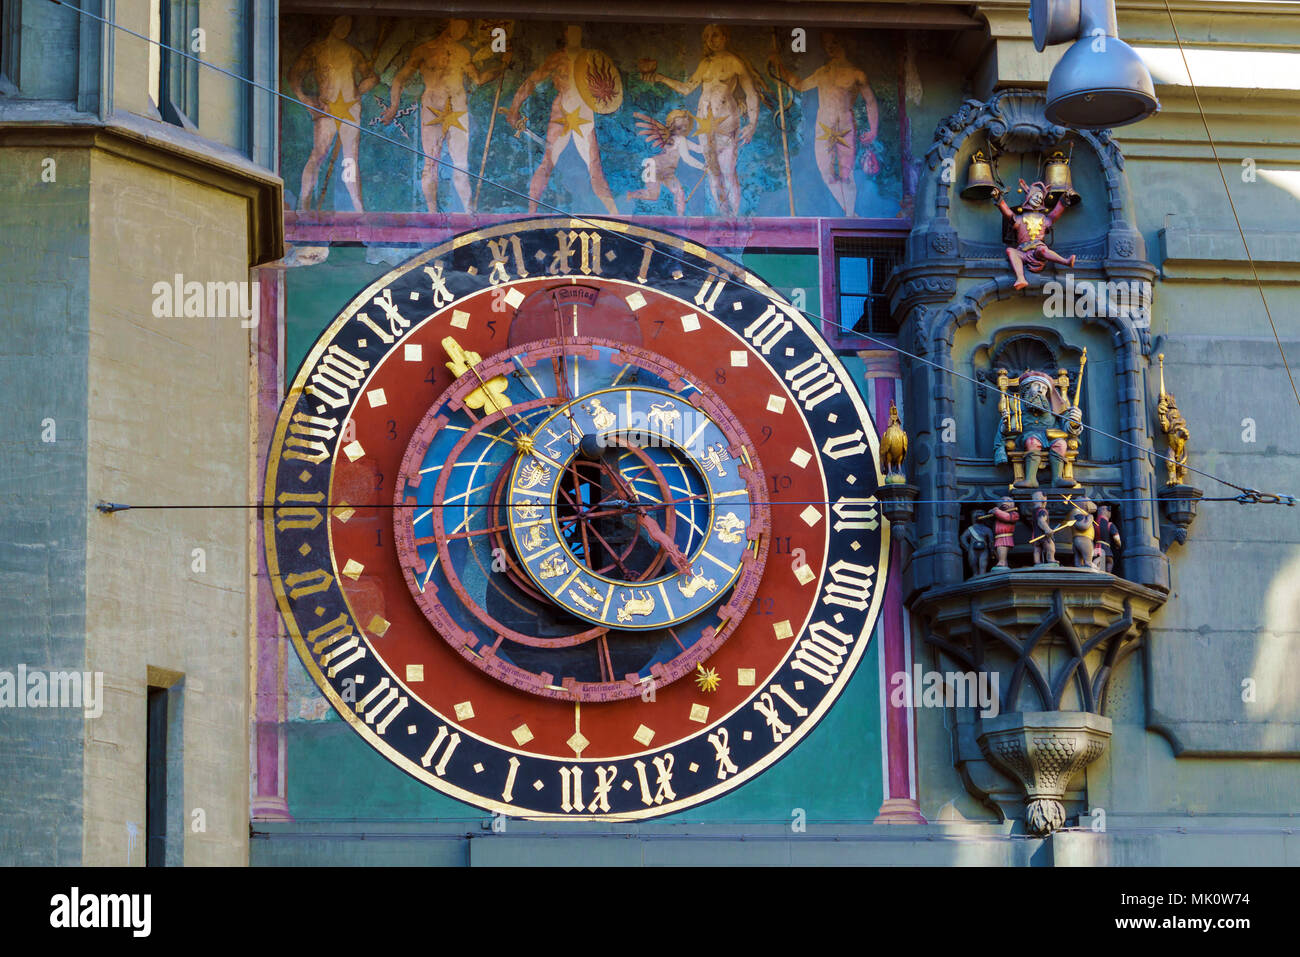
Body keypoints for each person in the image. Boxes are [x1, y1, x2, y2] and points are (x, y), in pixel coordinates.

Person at [383, 19, 508, 213]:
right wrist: (393, 106)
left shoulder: (462, 52)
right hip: (433, 109)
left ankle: (469, 213)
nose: (464, 31)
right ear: (450, 24)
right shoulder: (424, 50)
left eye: (466, 28)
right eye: (461, 25)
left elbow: (478, 79)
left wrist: (502, 66)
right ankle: (432, 212)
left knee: (461, 164)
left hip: (458, 110)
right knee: (430, 163)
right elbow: (400, 78)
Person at [646, 24, 759, 218]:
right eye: (707, 37)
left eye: (715, 35)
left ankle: (735, 217)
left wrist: (752, 124)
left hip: (726, 123)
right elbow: (686, 88)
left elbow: (751, 93)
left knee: (728, 171)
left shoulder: (734, 62)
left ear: (725, 36)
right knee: (713, 174)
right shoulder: (705, 63)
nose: (711, 41)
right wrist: (660, 78)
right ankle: (723, 216)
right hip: (704, 124)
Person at [506, 24, 620, 215]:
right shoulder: (557, 58)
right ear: (566, 34)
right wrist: (514, 109)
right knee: (547, 161)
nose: (575, 34)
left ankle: (615, 214)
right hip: (561, 110)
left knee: (595, 165)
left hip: (584, 111)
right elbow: (532, 81)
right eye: (571, 31)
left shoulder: (590, 59)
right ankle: (531, 212)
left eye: (578, 31)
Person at [769, 32, 879, 216]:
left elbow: (871, 102)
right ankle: (847, 211)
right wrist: (779, 65)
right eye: (826, 44)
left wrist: (873, 130)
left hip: (845, 126)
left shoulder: (856, 74)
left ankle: (850, 213)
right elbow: (800, 85)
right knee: (826, 171)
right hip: (824, 127)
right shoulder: (823, 72)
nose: (830, 47)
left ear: (844, 44)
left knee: (846, 172)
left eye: (834, 42)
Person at [289, 16, 380, 212]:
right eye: (342, 23)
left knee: (350, 159)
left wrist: (360, 89)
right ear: (332, 23)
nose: (345, 28)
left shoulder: (352, 53)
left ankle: (358, 208)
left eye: (349, 24)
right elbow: (295, 75)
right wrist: (305, 98)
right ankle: (303, 202)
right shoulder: (316, 50)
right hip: (328, 108)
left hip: (350, 109)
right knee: (318, 154)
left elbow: (372, 77)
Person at [995, 180, 1076, 290]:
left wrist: (1064, 200)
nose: (1039, 199)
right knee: (1010, 251)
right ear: (1028, 197)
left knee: (1043, 250)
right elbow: (1009, 214)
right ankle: (1021, 278)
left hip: (1037, 249)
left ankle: (1065, 261)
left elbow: (1054, 215)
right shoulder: (1019, 219)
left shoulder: (1044, 219)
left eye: (1041, 197)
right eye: (1036, 196)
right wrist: (999, 200)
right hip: (1022, 251)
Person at [626, 110, 705, 215]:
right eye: (680, 127)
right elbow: (687, 158)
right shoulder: (679, 139)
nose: (684, 129)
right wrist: (703, 166)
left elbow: (699, 149)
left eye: (685, 127)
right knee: (657, 195)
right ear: (673, 126)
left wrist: (711, 146)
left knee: (677, 193)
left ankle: (680, 217)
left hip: (666, 171)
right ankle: (631, 195)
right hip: (655, 168)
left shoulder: (681, 140)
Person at [991, 497, 1019, 569]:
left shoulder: (1014, 514)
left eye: (1008, 501)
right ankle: (1004, 563)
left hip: (1005, 536)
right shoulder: (997, 514)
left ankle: (1002, 562)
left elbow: (1006, 517)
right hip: (998, 537)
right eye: (1002, 500)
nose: (1004, 502)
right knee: (997, 551)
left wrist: (996, 511)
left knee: (1002, 548)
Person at [1030, 491, 1057, 565]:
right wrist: (1047, 529)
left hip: (1035, 535)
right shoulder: (1042, 511)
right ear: (1044, 500)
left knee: (1037, 549)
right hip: (1043, 535)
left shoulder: (1034, 511)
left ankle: (1037, 562)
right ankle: (1051, 560)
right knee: (1050, 547)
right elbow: (1041, 521)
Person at [1093, 504, 1121, 572]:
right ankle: (1107, 575)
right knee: (1109, 562)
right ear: (1105, 511)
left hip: (1095, 548)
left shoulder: (1093, 524)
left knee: (1098, 563)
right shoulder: (1110, 524)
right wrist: (1118, 545)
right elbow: (1116, 537)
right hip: (1105, 549)